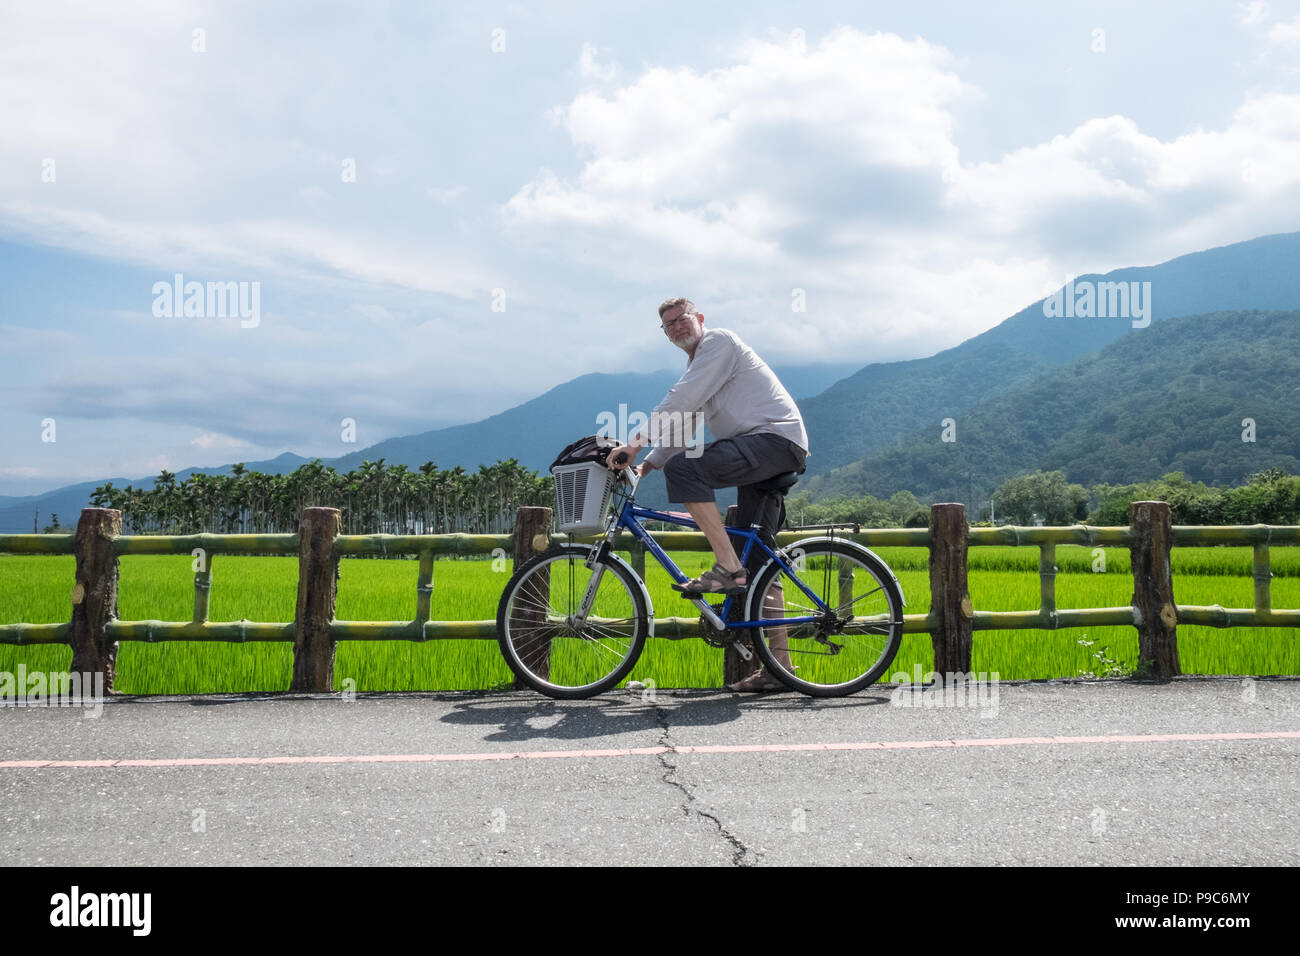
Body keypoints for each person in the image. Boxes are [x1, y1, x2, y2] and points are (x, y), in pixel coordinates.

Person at [606, 297, 809, 692]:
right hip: (763, 451)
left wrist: (633, 443)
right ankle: (780, 670)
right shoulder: (701, 364)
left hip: (771, 442)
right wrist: (648, 463)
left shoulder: (719, 343)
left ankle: (726, 569)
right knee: (759, 562)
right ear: (666, 335)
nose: (677, 327)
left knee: (686, 469)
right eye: (668, 325)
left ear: (699, 319)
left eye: (681, 319)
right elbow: (685, 422)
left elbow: (681, 399)